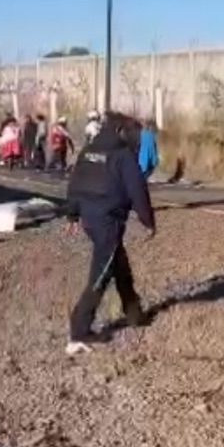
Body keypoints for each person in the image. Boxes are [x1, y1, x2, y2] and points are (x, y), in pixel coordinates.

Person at [64, 111, 155, 355]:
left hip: (90, 220)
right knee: (101, 275)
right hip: (108, 222)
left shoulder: (89, 151)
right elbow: (138, 190)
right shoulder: (122, 156)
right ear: (120, 132)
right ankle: (78, 331)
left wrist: (72, 214)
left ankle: (135, 314)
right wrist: (148, 221)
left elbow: (74, 184)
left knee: (119, 266)